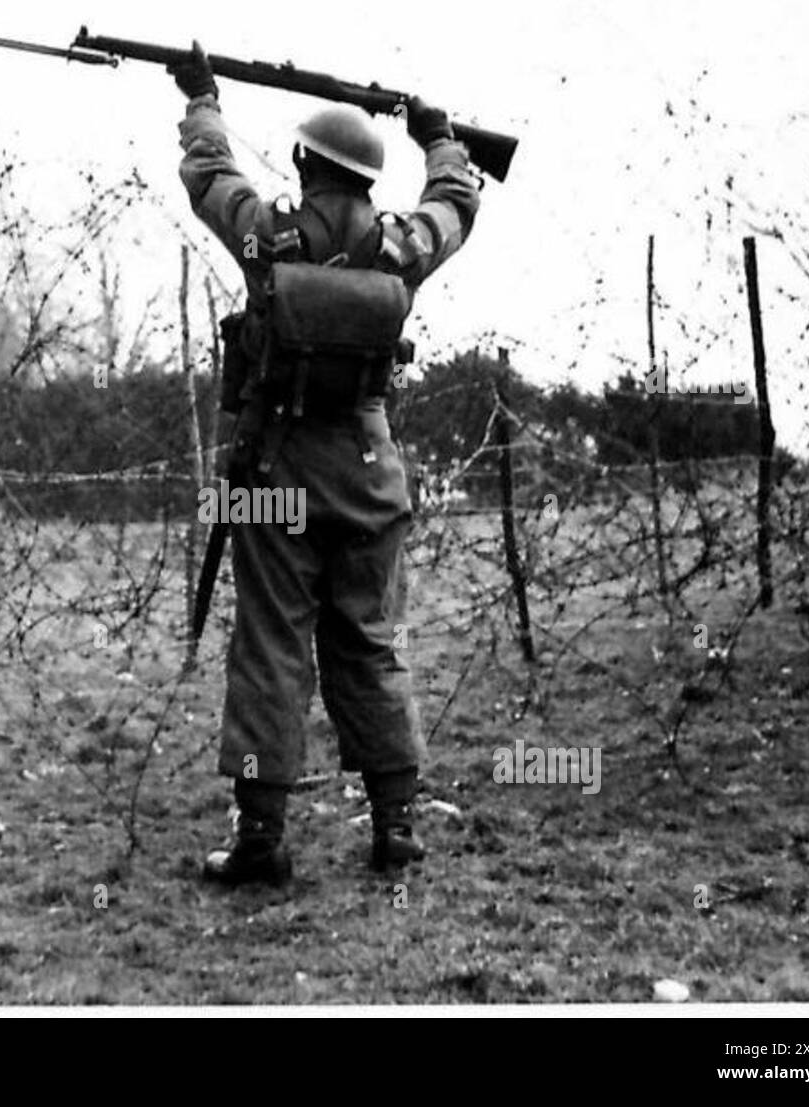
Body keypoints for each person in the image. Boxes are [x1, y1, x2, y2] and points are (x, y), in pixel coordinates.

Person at [169, 44, 482, 885]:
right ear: (372, 180)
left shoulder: (269, 234)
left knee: (270, 646)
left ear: (305, 164)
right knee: (372, 642)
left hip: (276, 478)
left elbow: (209, 173)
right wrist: (439, 135)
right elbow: (457, 201)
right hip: (373, 473)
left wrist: (203, 99)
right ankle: (397, 825)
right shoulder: (400, 248)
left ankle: (261, 838)